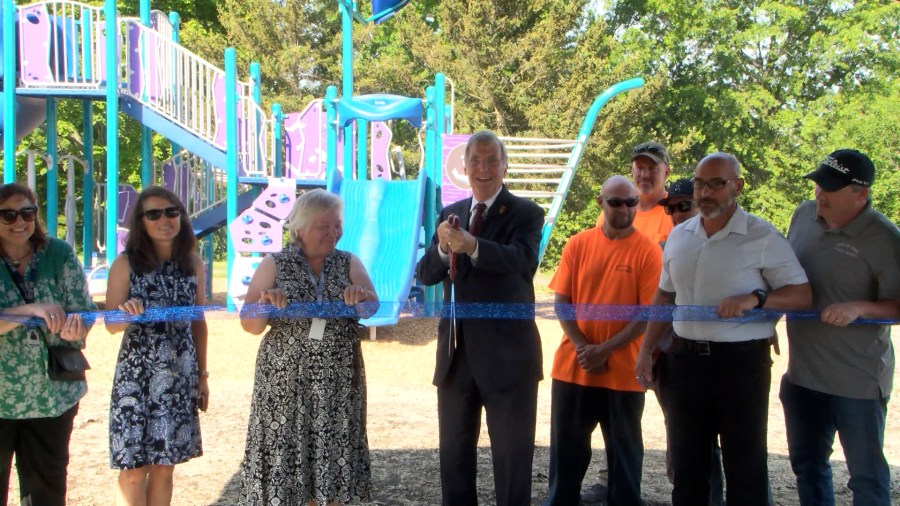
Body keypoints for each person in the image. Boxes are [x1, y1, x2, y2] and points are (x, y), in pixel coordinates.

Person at [634, 153, 812, 506]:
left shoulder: (762, 236)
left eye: (717, 183)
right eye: (701, 183)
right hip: (683, 363)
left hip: (741, 365)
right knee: (687, 468)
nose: (705, 192)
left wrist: (755, 299)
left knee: (744, 468)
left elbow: (802, 296)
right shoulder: (680, 236)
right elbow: (665, 296)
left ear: (738, 186)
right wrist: (645, 350)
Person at [416, 130, 545, 505]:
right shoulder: (449, 214)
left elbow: (522, 262)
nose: (483, 168)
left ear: (505, 166)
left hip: (508, 359)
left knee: (512, 464)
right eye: (476, 160)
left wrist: (472, 246)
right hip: (457, 358)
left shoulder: (527, 213)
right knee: (453, 461)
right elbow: (426, 275)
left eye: (492, 161)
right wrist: (442, 247)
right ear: (465, 166)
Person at [238, 189, 379, 505]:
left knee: (334, 454)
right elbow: (249, 324)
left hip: (338, 383)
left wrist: (362, 299)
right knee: (286, 455)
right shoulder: (273, 263)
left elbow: (373, 309)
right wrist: (264, 306)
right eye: (323, 226)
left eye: (337, 225)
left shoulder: (348, 261)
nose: (333, 233)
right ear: (300, 229)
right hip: (285, 384)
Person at [780, 149, 900, 506]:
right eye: (818, 184)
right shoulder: (802, 216)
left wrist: (861, 307)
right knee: (808, 468)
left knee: (865, 478)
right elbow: (785, 279)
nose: (819, 193)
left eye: (830, 187)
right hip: (802, 377)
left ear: (860, 194)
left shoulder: (884, 238)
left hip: (857, 383)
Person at [544, 175, 661, 506]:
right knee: (566, 457)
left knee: (624, 460)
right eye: (615, 202)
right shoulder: (577, 244)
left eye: (631, 203)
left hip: (623, 374)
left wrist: (604, 351)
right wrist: (584, 348)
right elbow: (561, 303)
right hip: (573, 369)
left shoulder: (649, 252)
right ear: (601, 203)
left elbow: (646, 314)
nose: (624, 209)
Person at [104, 186, 208, 506]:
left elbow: (198, 322)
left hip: (179, 377)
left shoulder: (194, 264)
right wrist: (128, 315)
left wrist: (202, 376)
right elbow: (111, 324)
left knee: (164, 469)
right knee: (134, 470)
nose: (164, 220)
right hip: (136, 379)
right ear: (142, 222)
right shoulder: (126, 264)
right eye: (154, 214)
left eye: (171, 212)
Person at [584, 140, 674, 504]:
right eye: (639, 166)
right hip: (621, 339)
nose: (644, 173)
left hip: (669, 337)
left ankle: (687, 485)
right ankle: (610, 481)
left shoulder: (677, 211)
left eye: (652, 167)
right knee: (616, 416)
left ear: (666, 171)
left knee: (681, 419)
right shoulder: (612, 211)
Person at [0, 183, 95, 506]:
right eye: (8, 215)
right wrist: (30, 310)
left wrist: (75, 329)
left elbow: (84, 311)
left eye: (27, 212)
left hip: (52, 397)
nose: (19, 222)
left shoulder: (59, 253)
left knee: (47, 491)